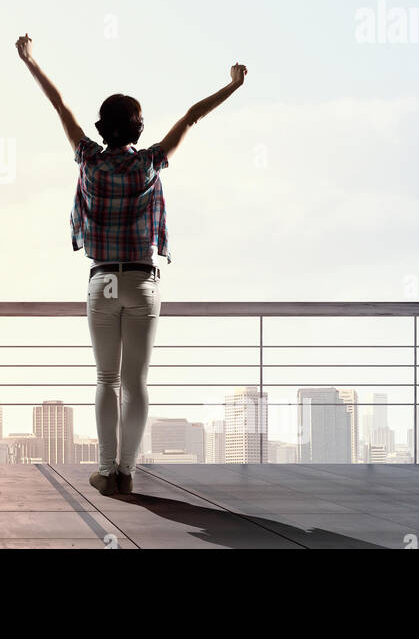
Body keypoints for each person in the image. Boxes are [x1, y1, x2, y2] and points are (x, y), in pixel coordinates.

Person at [15, 33, 247, 495]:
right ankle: (126, 471)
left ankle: (105, 471)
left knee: (106, 378)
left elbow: (59, 105)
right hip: (143, 281)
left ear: (101, 129)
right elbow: (191, 118)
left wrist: (30, 60)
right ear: (138, 130)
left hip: (102, 281)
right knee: (136, 382)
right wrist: (233, 85)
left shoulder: (88, 161)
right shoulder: (149, 164)